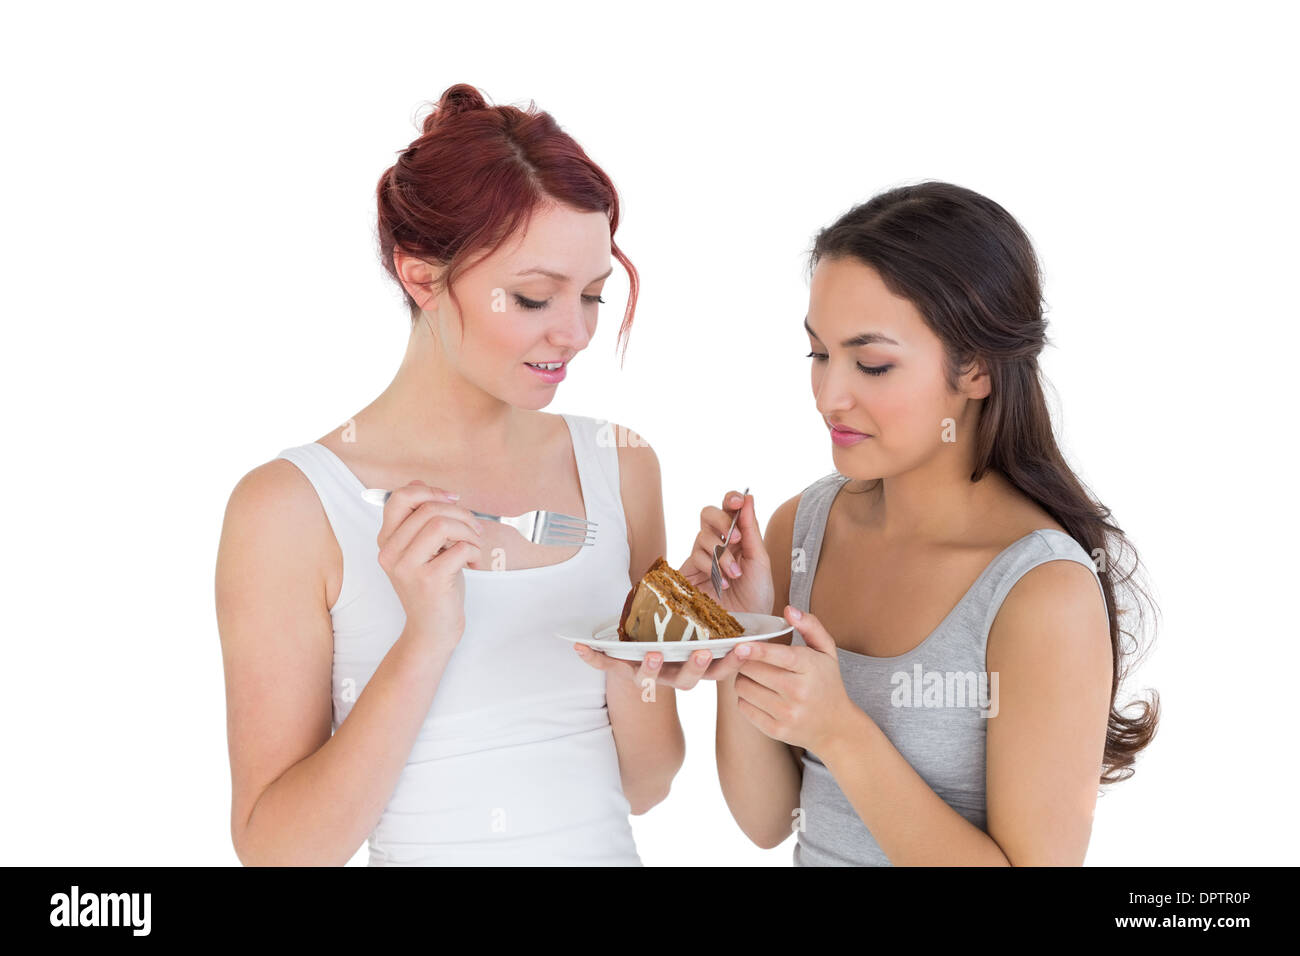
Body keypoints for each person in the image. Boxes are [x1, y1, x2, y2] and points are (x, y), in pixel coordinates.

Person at [215, 83, 695, 865]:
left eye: (594, 296)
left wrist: (640, 651)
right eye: (535, 296)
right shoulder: (293, 509)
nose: (574, 334)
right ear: (421, 276)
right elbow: (280, 852)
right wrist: (426, 639)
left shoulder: (621, 465)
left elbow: (645, 784)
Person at [680, 181, 1161, 865]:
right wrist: (746, 637)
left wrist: (843, 733)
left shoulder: (1041, 591)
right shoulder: (802, 532)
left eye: (872, 364)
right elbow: (765, 820)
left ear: (977, 371)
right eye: (819, 354)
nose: (828, 396)